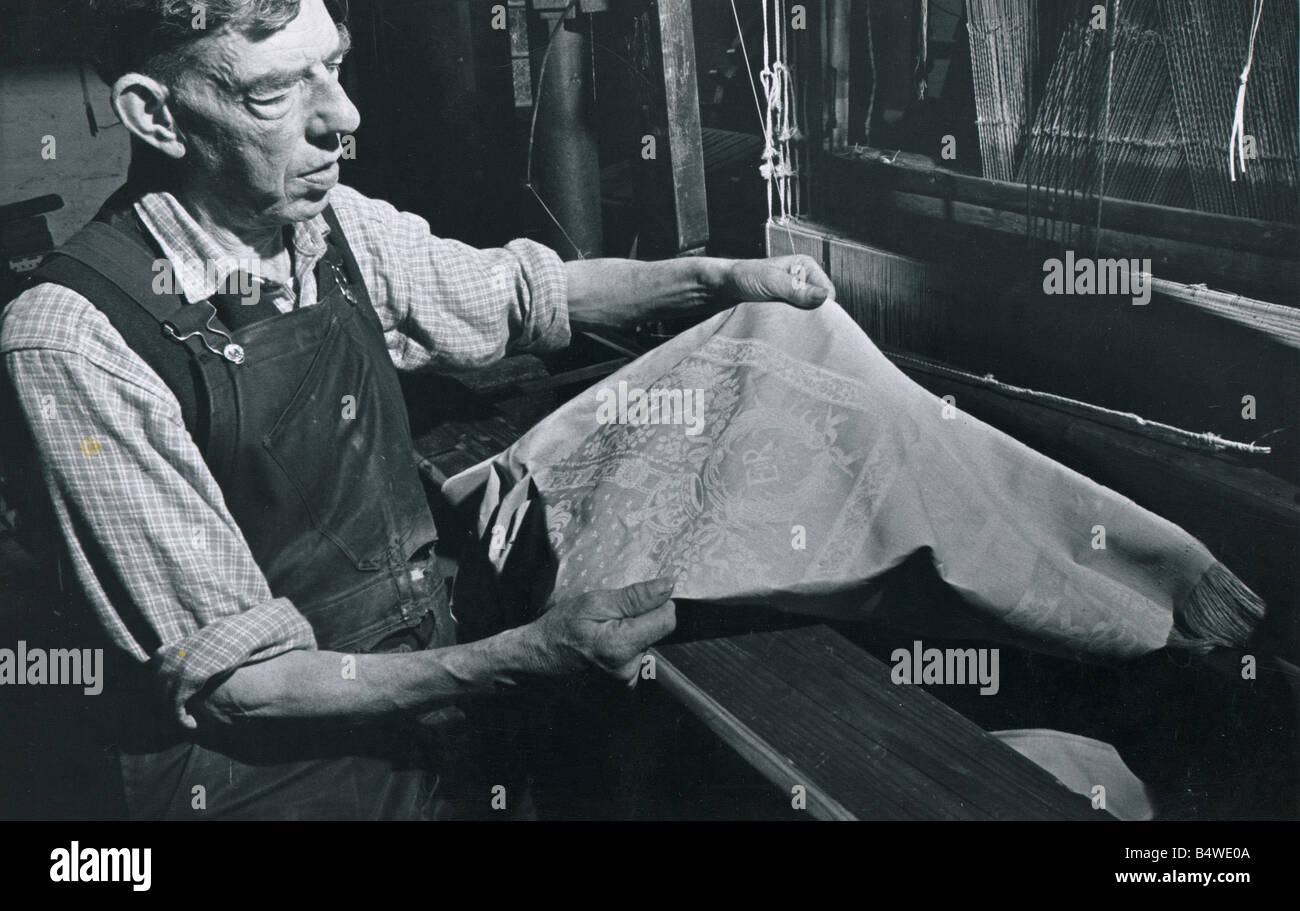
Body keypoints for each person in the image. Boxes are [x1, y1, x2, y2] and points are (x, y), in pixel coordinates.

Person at [0, 0, 834, 819]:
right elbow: (241, 689)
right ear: (155, 115)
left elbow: (520, 292)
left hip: (425, 693)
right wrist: (521, 658)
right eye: (275, 92)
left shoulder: (329, 229)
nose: (343, 115)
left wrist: (719, 282)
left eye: (335, 63)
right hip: (265, 775)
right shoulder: (75, 340)